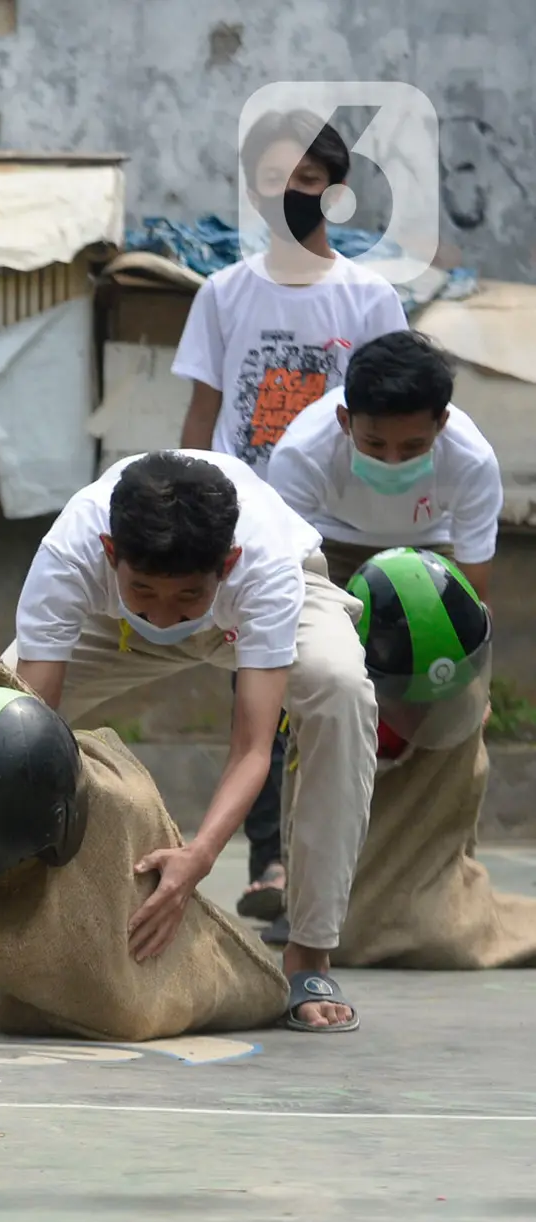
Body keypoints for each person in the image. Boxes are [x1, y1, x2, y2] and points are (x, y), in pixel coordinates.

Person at [6, 449, 375, 1031]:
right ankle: (11, 950)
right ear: (110, 554)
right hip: (113, 628)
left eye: (185, 597)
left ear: (225, 563)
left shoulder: (263, 563)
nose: (166, 613)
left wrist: (199, 855)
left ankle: (309, 952)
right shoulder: (71, 549)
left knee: (340, 690)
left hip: (256, 610)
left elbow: (253, 746)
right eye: (145, 588)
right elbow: (29, 726)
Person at [172, 110, 409, 924]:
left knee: (351, 701)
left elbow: (397, 420)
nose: (291, 197)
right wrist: (194, 515)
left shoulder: (371, 299)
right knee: (263, 700)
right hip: (254, 535)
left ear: (334, 195)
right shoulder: (222, 295)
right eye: (275, 183)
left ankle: (347, 876)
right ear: (253, 191)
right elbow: (201, 419)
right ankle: (270, 863)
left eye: (307, 183)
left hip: (348, 532)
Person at [266, 331, 501, 595]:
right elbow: (283, 566)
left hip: (430, 545)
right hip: (332, 541)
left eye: (413, 446)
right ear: (345, 421)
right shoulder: (301, 454)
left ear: (441, 424)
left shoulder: (472, 461)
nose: (392, 462)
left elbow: (475, 590)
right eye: (375, 444)